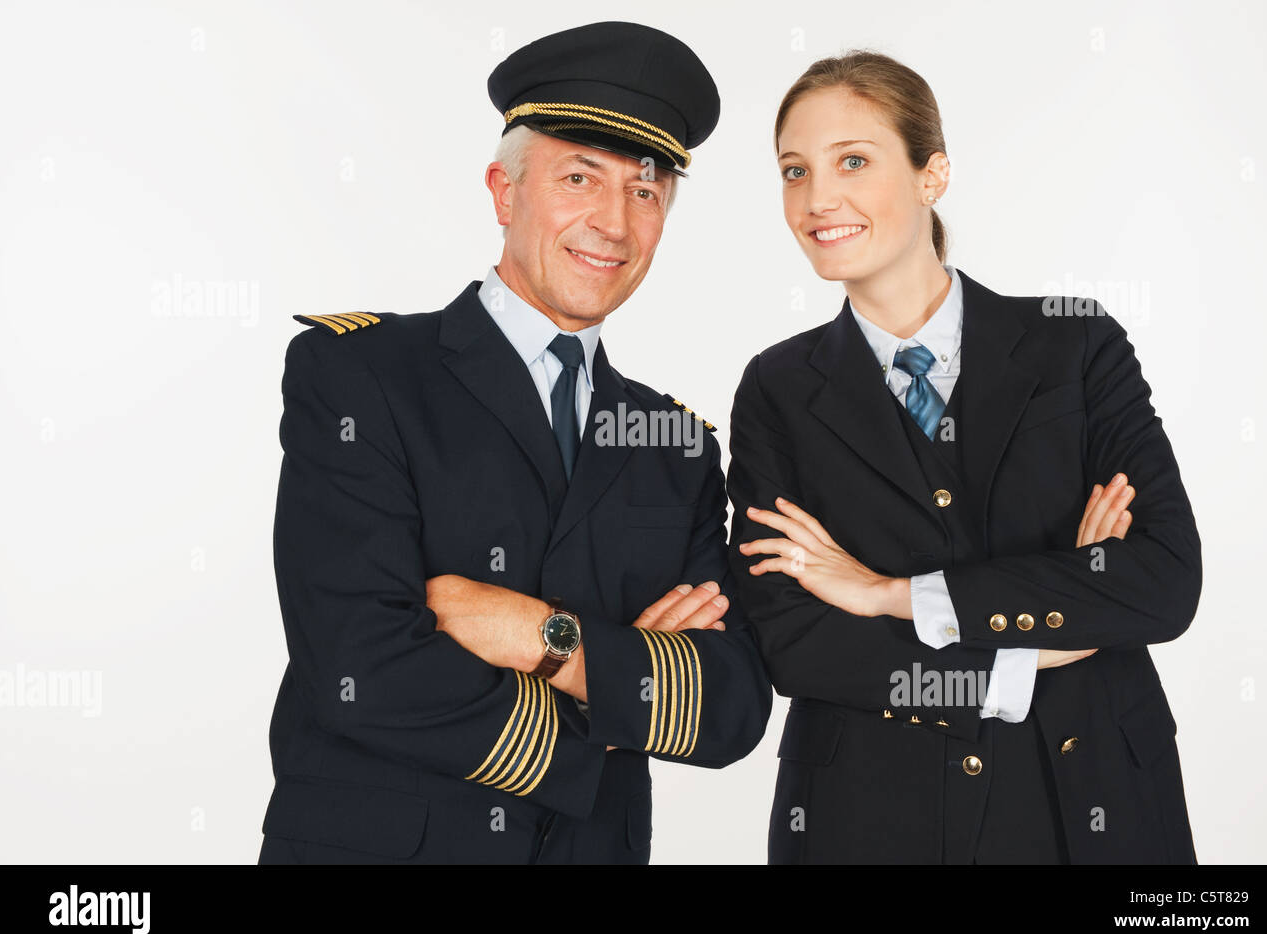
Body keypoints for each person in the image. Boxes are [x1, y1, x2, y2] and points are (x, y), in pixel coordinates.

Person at [257, 20, 771, 865]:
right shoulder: (361, 374)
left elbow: (733, 704)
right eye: (579, 177)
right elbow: (360, 667)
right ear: (503, 192)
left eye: (646, 190)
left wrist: (545, 635)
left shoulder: (675, 444)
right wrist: (611, 698)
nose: (613, 220)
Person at [726, 50, 1201, 864]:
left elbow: (1160, 580)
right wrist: (1035, 643)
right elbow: (791, 634)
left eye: (853, 161)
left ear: (931, 173)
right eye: (794, 170)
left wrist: (889, 594)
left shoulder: (1075, 344)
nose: (817, 198)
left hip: (1091, 803)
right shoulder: (776, 388)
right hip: (869, 818)